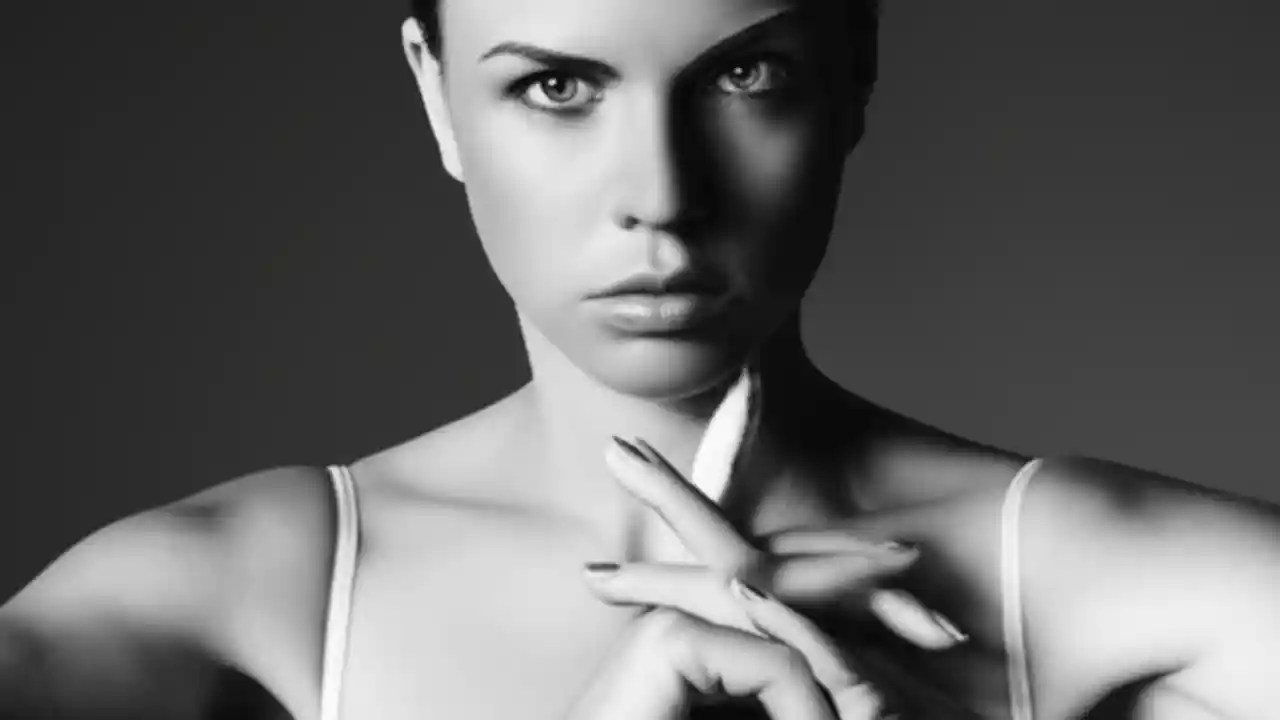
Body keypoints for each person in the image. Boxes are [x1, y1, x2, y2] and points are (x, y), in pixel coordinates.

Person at [2, 0, 1278, 718]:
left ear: (852, 81)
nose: (659, 196)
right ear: (438, 95)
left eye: (745, 71)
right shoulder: (239, 599)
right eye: (558, 86)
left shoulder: (1103, 579)